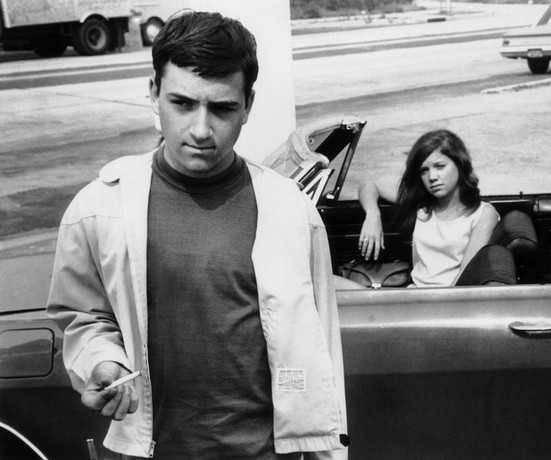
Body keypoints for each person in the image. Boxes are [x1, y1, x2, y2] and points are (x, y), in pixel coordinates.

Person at [47, 11, 348, 460]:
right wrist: (101, 361)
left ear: (247, 104)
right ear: (154, 93)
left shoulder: (292, 211)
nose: (202, 130)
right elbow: (82, 316)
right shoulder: (98, 209)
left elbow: (322, 350)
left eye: (222, 108)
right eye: (183, 103)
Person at [339, 129, 508, 289]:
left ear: (460, 164)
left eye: (440, 166)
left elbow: (466, 277)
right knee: (329, 282)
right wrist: (373, 215)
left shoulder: (482, 214)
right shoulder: (423, 206)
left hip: (450, 300)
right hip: (413, 293)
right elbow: (368, 185)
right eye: (424, 170)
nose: (432, 177)